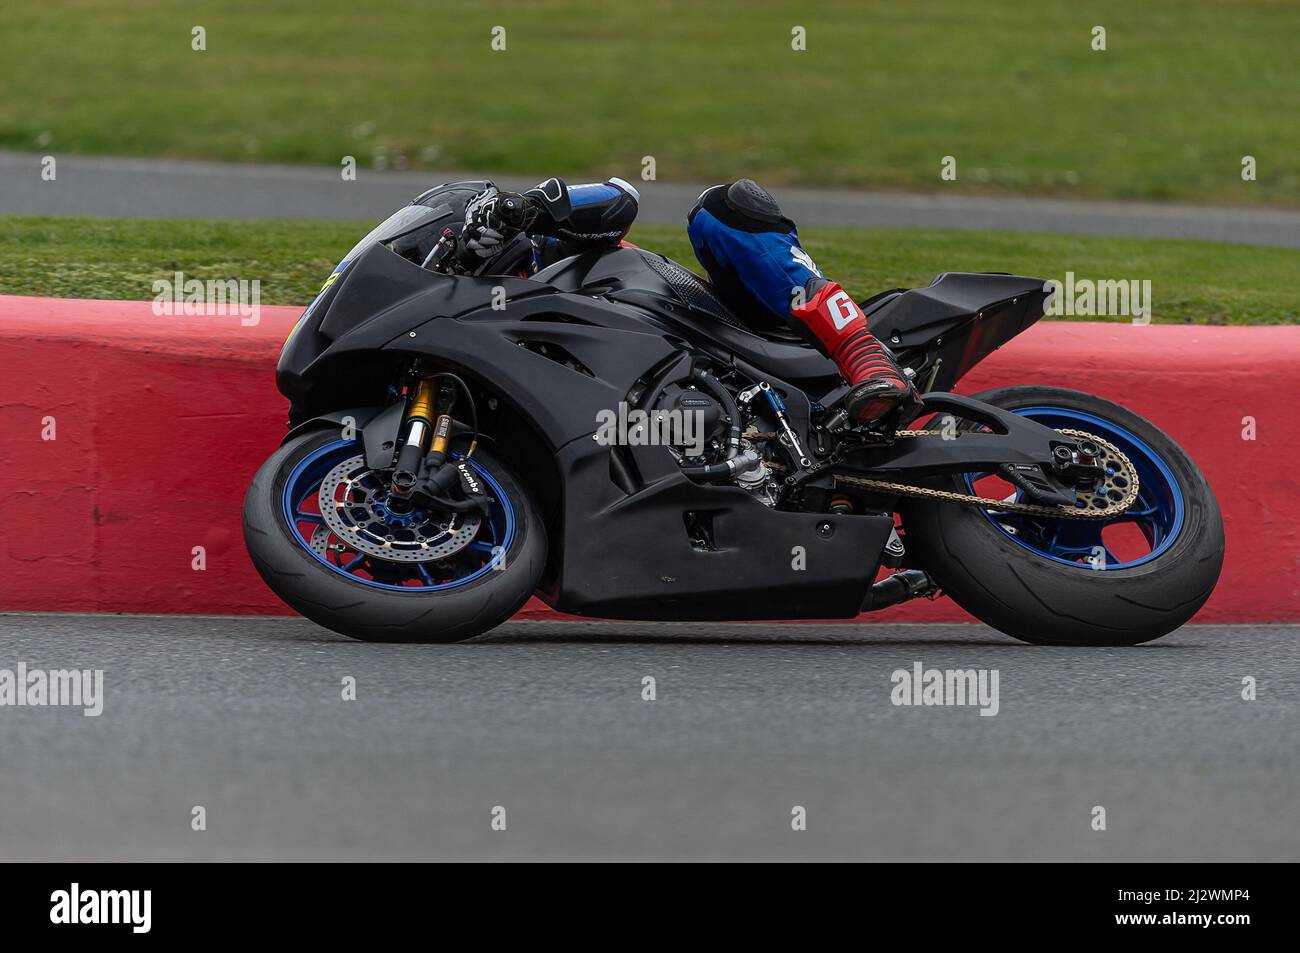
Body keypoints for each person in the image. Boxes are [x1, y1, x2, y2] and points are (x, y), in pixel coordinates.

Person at [458, 176, 918, 425]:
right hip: (632, 418)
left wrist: (525, 208)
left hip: (731, 333)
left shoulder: (549, 248)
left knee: (724, 205)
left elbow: (621, 198)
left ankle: (865, 356)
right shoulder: (468, 332)